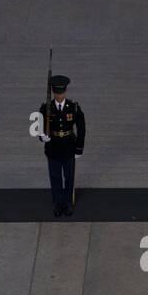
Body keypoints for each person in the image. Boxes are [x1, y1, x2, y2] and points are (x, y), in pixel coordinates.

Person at [38, 75, 85, 217]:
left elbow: (81, 128)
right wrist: (42, 136)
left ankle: (68, 204)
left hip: (69, 147)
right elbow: (40, 127)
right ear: (53, 92)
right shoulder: (46, 107)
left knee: (69, 177)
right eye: (57, 93)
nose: (59, 96)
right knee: (55, 177)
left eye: (61, 93)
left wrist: (79, 148)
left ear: (65, 92)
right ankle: (58, 204)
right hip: (53, 148)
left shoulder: (74, 107)